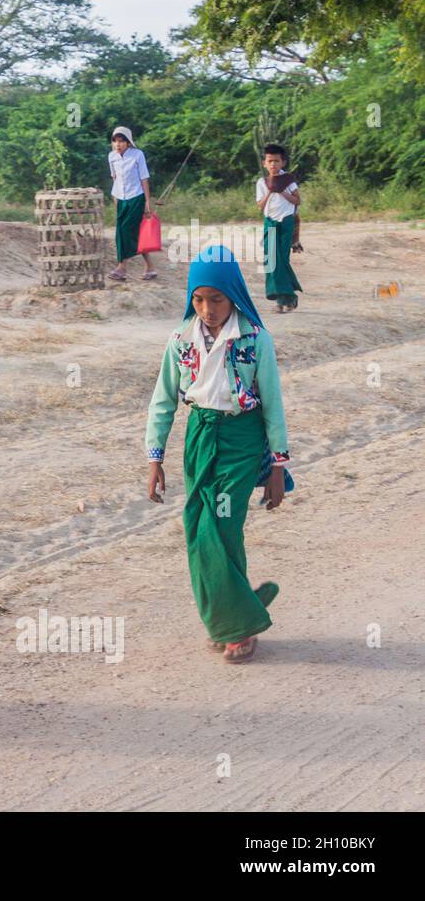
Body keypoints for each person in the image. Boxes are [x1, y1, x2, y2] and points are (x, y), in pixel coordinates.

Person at [145, 245, 291, 664]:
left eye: (217, 299)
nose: (207, 309)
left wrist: (278, 465)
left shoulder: (255, 338)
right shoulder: (179, 340)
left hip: (241, 440)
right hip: (200, 437)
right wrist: (155, 458)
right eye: (198, 299)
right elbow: (163, 400)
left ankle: (236, 625)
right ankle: (236, 612)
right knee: (197, 527)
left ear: (234, 296)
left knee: (223, 523)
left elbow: (273, 402)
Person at [257, 143, 304, 313]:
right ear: (265, 163)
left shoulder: (288, 180)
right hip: (270, 222)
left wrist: (283, 191)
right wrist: (270, 191)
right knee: (271, 260)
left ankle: (284, 300)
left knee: (282, 260)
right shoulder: (262, 182)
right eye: (270, 161)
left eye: (276, 161)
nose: (273, 164)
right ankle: (285, 298)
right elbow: (260, 206)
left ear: (283, 162)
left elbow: (297, 201)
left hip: (286, 223)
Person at [107, 126, 158, 281]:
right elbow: (115, 178)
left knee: (124, 231)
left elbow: (144, 179)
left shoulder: (137, 155)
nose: (118, 144)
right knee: (131, 232)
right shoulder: (111, 157)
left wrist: (147, 203)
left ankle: (122, 267)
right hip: (120, 198)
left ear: (128, 143)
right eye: (115, 141)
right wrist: (115, 199)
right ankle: (150, 266)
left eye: (122, 141)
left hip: (136, 198)